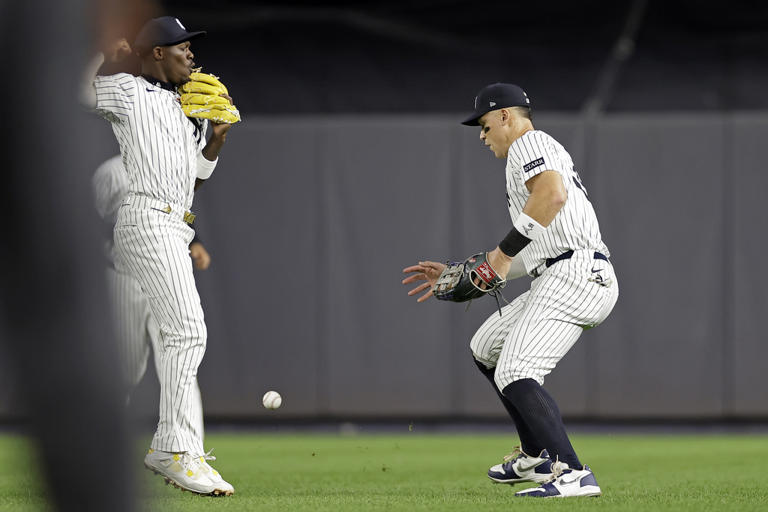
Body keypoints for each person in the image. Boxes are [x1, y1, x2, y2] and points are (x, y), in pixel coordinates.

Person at [402, 83, 619, 498]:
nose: (482, 136)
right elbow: (539, 249)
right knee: (486, 348)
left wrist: (499, 257)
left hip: (576, 273)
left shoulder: (528, 142)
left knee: (516, 370)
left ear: (505, 116)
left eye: (485, 126)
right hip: (561, 269)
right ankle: (537, 456)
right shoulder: (529, 156)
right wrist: (467, 270)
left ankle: (572, 472)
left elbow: (552, 195)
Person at [82, 16, 235, 496]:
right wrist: (106, 56)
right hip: (147, 217)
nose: (190, 53)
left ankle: (179, 449)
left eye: (191, 47)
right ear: (156, 53)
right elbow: (81, 93)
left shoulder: (186, 109)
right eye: (181, 46)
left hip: (174, 222)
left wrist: (214, 142)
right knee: (186, 332)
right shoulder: (129, 90)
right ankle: (173, 450)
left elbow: (194, 181)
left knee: (178, 336)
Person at [93, 155, 210, 434]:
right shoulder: (111, 173)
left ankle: (188, 448)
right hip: (124, 277)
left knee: (181, 361)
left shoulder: (168, 166)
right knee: (125, 369)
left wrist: (195, 240)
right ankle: (104, 439)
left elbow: (183, 212)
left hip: (168, 276)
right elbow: (86, 221)